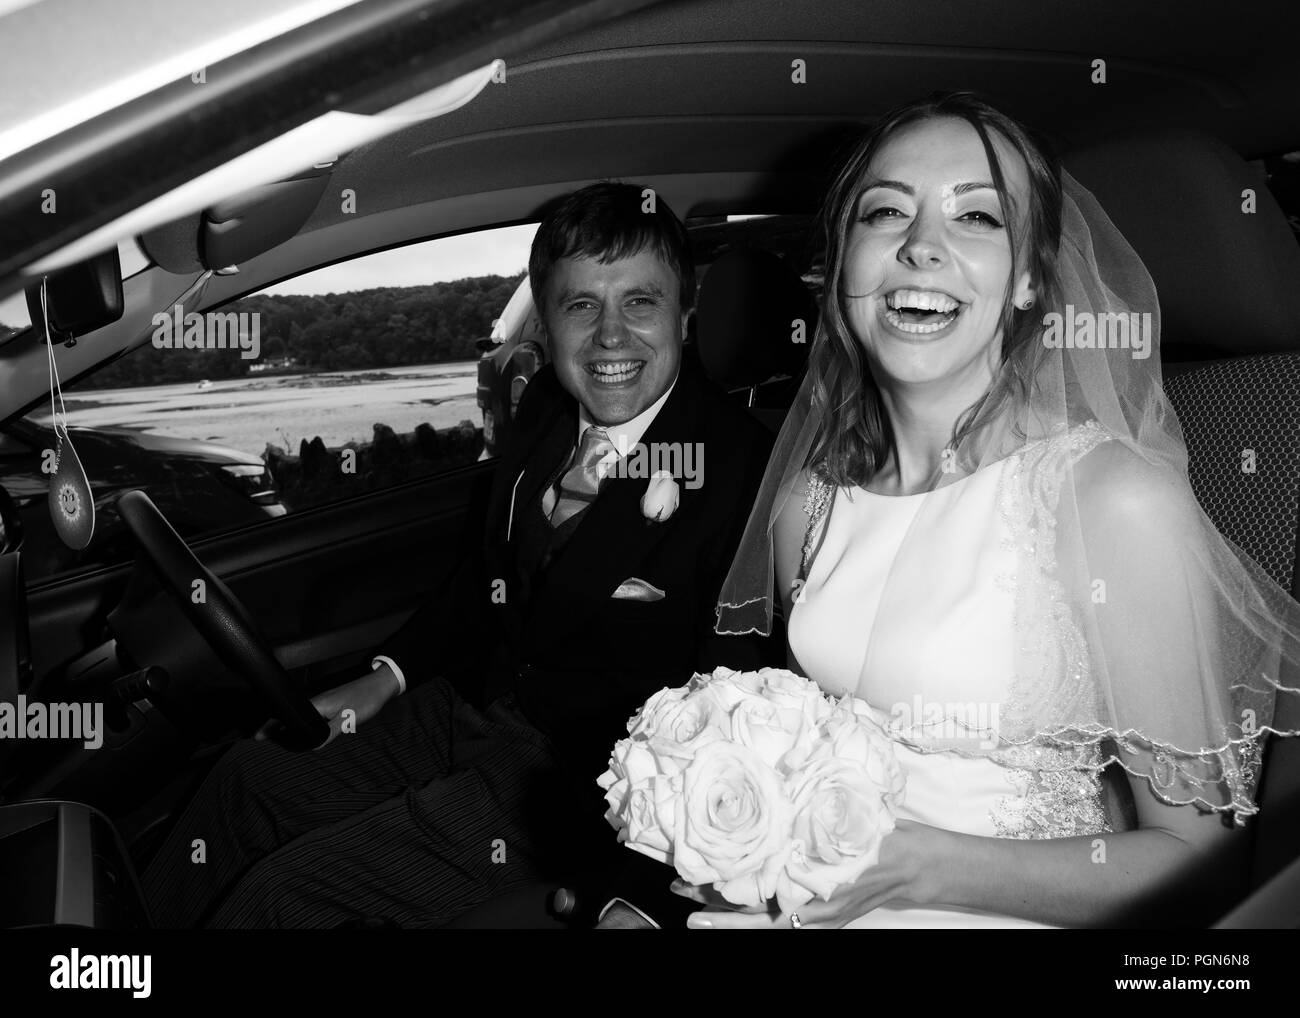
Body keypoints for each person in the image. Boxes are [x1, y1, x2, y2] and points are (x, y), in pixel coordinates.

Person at [697, 92, 1300, 928]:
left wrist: (926, 871)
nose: (921, 247)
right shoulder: (809, 506)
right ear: (843, 262)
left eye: (976, 217)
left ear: (1026, 279)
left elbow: (1198, 867)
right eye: (885, 213)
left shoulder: (1110, 502)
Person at [141, 181, 775, 929]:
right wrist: (383, 678)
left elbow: (741, 716)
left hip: (583, 785)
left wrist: (638, 890)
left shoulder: (747, 478)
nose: (610, 336)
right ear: (547, 320)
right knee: (248, 776)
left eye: (640, 302)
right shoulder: (544, 405)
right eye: (581, 306)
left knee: (280, 901)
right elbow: (489, 580)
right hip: (467, 706)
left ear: (684, 315)